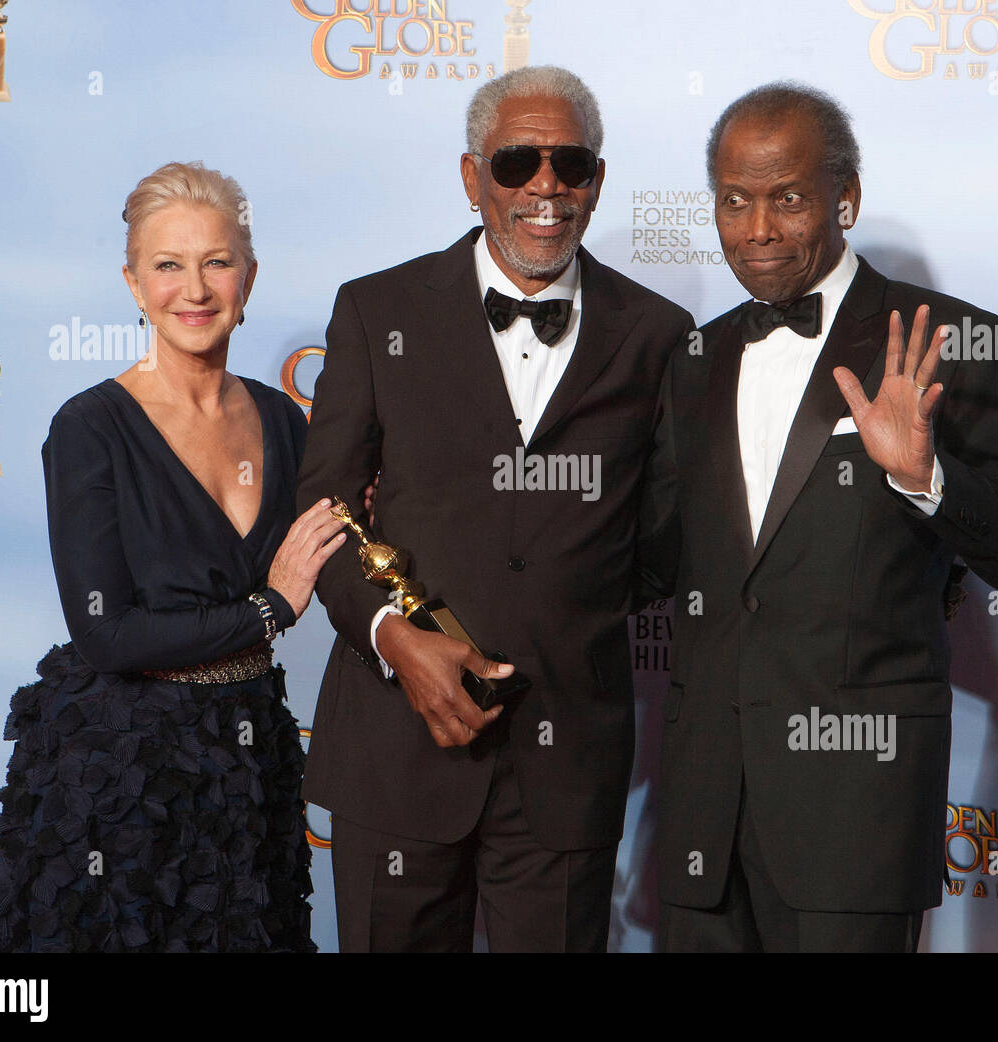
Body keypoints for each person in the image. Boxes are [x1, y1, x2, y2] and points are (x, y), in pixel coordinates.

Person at [647, 84, 998, 952]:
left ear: (845, 199)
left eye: (788, 197)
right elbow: (656, 558)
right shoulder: (692, 359)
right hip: (705, 817)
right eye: (735, 201)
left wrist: (929, 476)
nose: (758, 229)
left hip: (857, 821)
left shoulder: (949, 341)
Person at [297, 65, 694, 952]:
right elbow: (321, 513)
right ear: (473, 176)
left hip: (567, 762)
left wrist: (563, 607)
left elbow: (662, 541)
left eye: (571, 163)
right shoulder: (377, 310)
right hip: (393, 748)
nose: (545, 186)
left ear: (597, 177)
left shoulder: (658, 335)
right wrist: (395, 640)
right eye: (517, 162)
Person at [0, 161, 347, 952]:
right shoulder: (90, 428)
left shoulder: (284, 420)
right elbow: (107, 636)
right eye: (168, 265)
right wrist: (269, 609)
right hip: (124, 770)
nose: (196, 289)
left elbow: (346, 542)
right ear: (134, 283)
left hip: (251, 755)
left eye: (217, 262)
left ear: (248, 278)